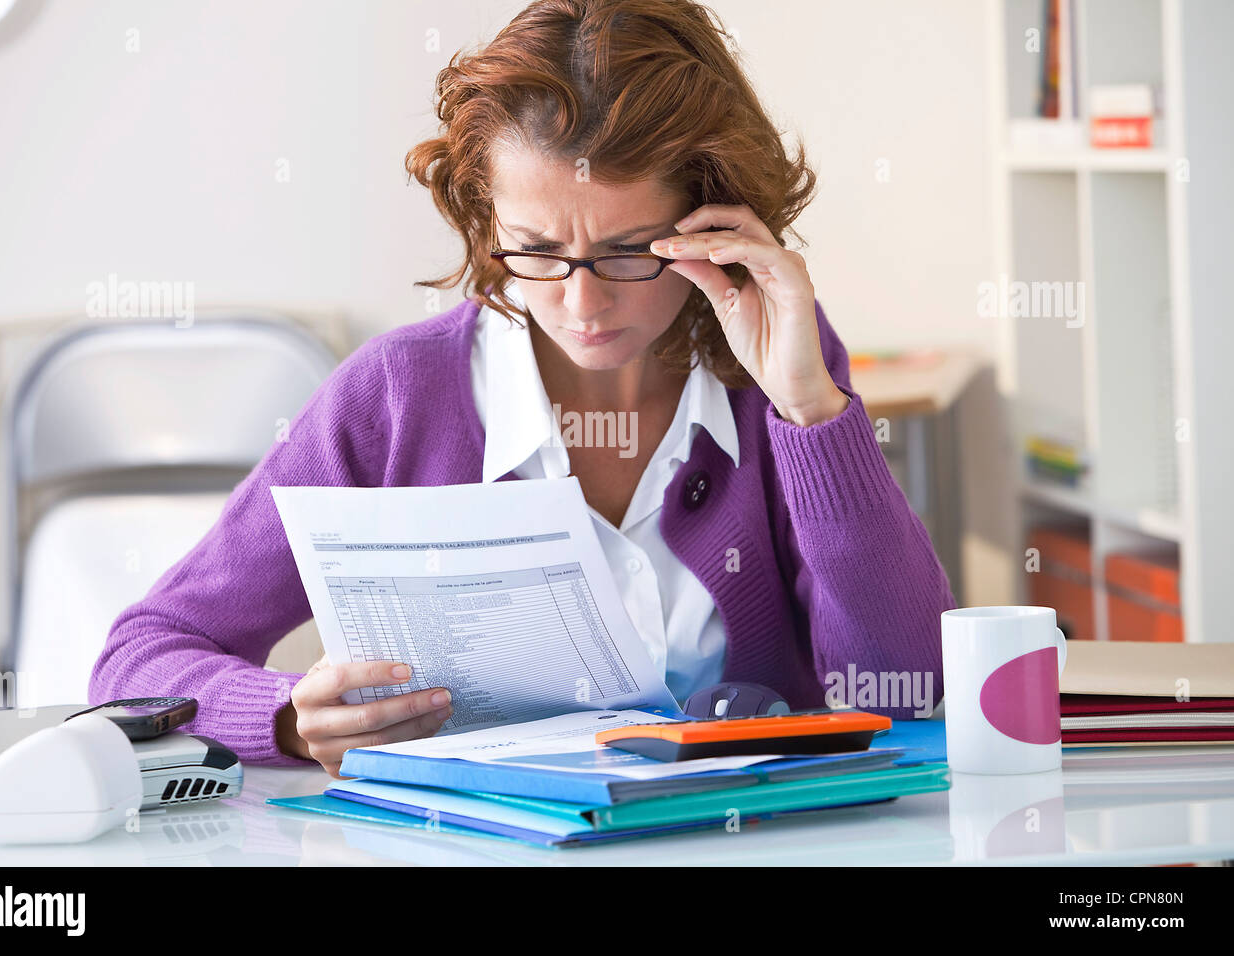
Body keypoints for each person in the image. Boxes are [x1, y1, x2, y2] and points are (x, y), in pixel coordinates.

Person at [90, 0, 954, 777]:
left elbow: (908, 684)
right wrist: (283, 717)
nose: (583, 305)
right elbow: (141, 656)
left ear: (715, 217)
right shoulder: (395, 396)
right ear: (484, 218)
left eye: (629, 250)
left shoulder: (782, 368)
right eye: (535, 249)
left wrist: (811, 412)